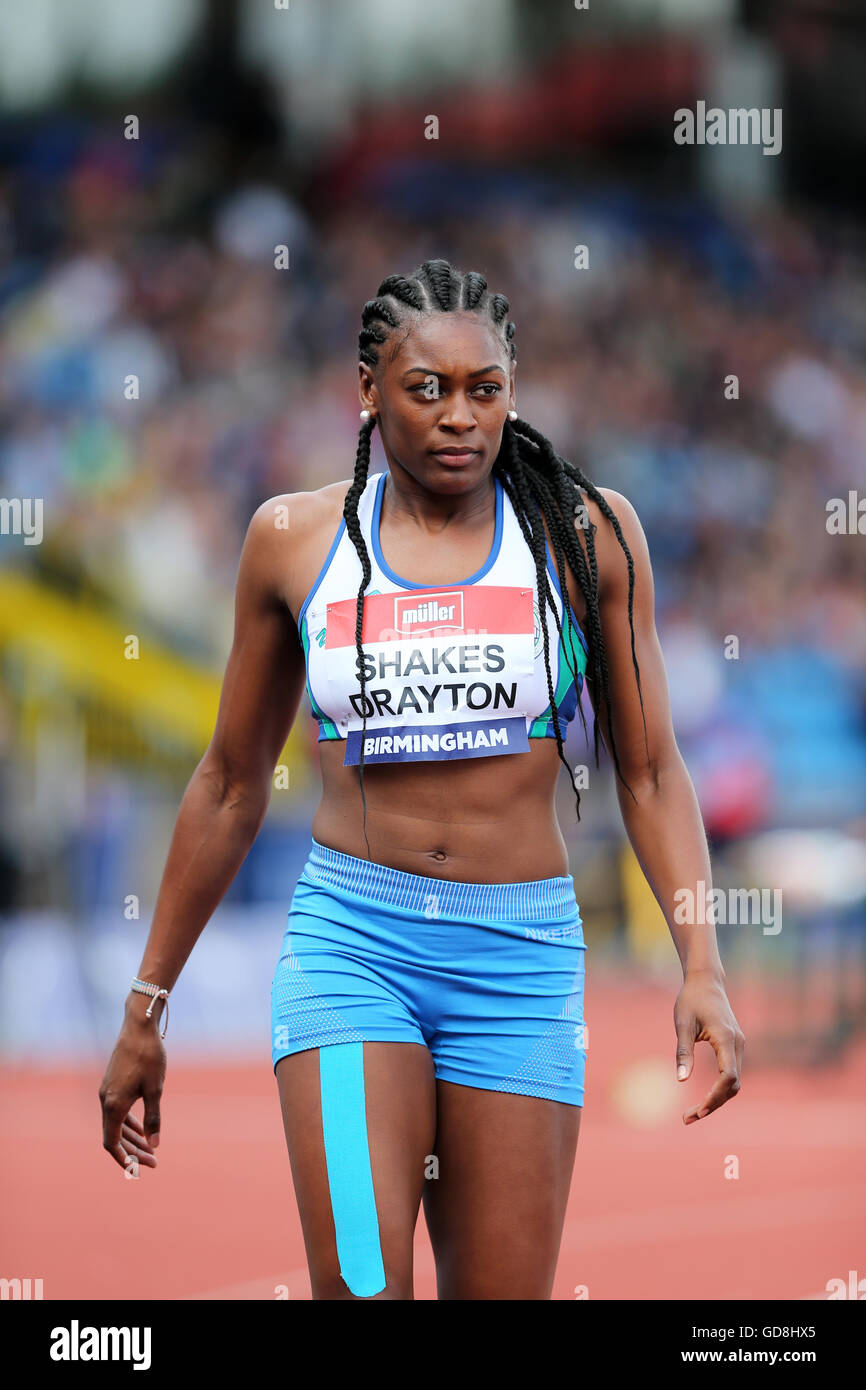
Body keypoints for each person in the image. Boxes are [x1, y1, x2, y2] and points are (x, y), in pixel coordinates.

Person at [99, 259, 744, 1301]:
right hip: (354, 945)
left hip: (520, 959)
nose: (458, 416)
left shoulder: (585, 536)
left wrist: (700, 961)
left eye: (483, 388)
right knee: (361, 1287)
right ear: (366, 389)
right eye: (426, 388)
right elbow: (227, 781)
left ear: (512, 391)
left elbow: (654, 769)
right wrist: (146, 1002)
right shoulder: (292, 543)